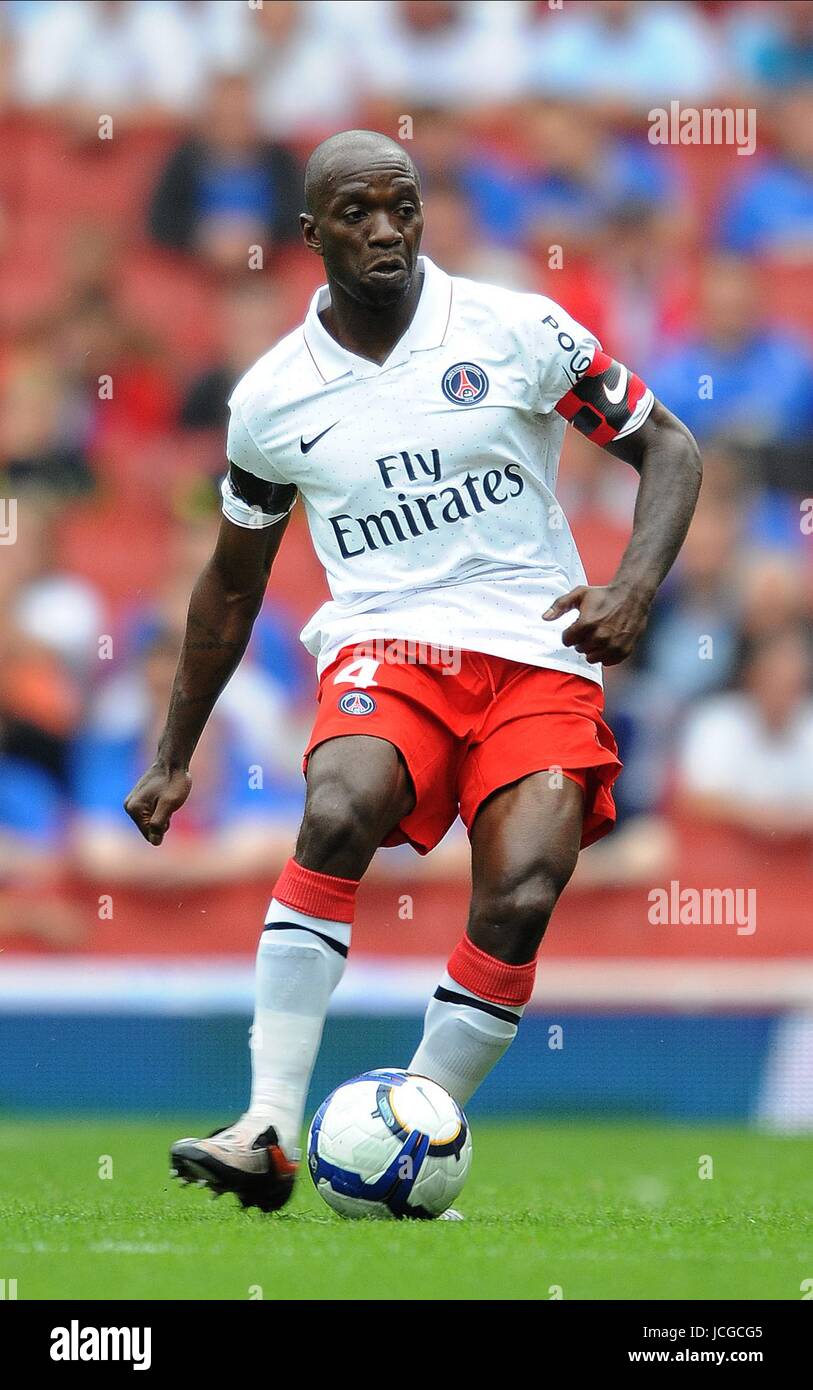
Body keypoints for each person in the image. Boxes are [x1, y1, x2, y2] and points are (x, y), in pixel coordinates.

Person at [124, 130, 701, 1214]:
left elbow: (670, 447)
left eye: (402, 206)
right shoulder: (272, 401)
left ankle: (409, 1129)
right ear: (310, 233)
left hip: (538, 650)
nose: (384, 229)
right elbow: (230, 587)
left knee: (527, 883)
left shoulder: (517, 326)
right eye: (356, 212)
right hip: (390, 644)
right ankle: (264, 1125)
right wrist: (171, 757)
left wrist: (631, 586)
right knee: (339, 805)